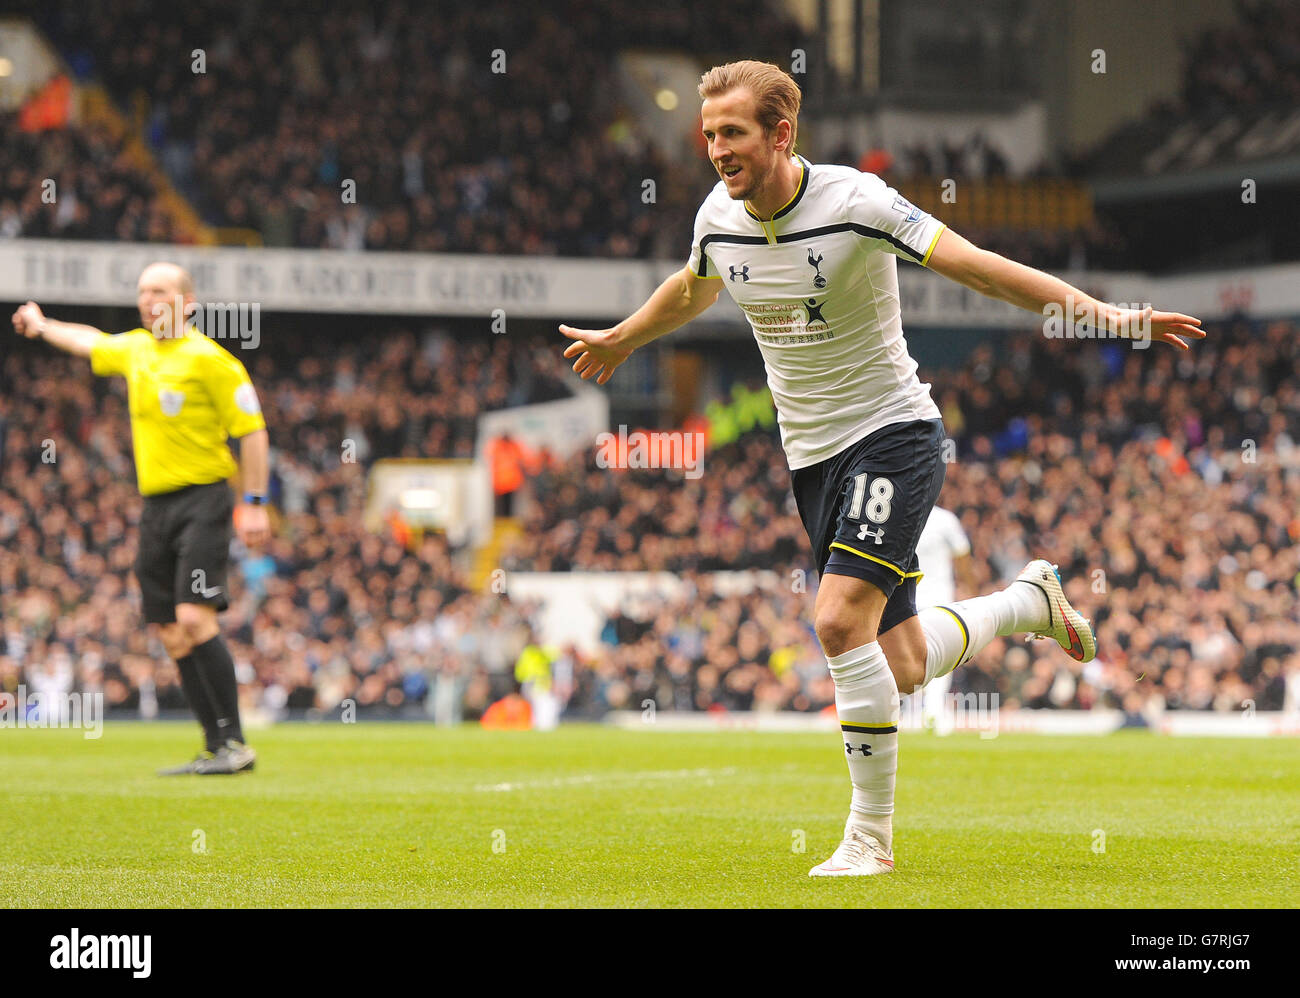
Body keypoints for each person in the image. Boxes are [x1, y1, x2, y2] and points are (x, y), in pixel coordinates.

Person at [559, 60, 1204, 875]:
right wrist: (622, 337)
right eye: (710, 132)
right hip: (813, 463)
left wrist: (1104, 314)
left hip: (893, 434)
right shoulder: (716, 217)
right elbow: (694, 290)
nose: (716, 147)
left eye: (733, 132)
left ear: (781, 134)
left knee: (835, 623)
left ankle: (870, 837)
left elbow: (972, 263)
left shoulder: (856, 201)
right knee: (895, 663)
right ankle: (1025, 603)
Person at [12, 262, 270, 775]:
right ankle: (214, 746)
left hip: (205, 498)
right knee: (170, 630)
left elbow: (253, 430)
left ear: (187, 303)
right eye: (143, 291)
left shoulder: (211, 360)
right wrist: (42, 326)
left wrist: (256, 503)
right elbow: (91, 341)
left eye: (161, 291)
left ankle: (237, 744)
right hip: (155, 506)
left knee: (196, 617)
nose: (149, 299)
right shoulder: (135, 349)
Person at [907, 504, 975, 732]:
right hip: (938, 599)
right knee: (942, 656)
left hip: (908, 598)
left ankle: (919, 710)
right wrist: (972, 589)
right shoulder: (946, 519)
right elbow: (963, 558)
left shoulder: (903, 512)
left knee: (913, 654)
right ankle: (933, 711)